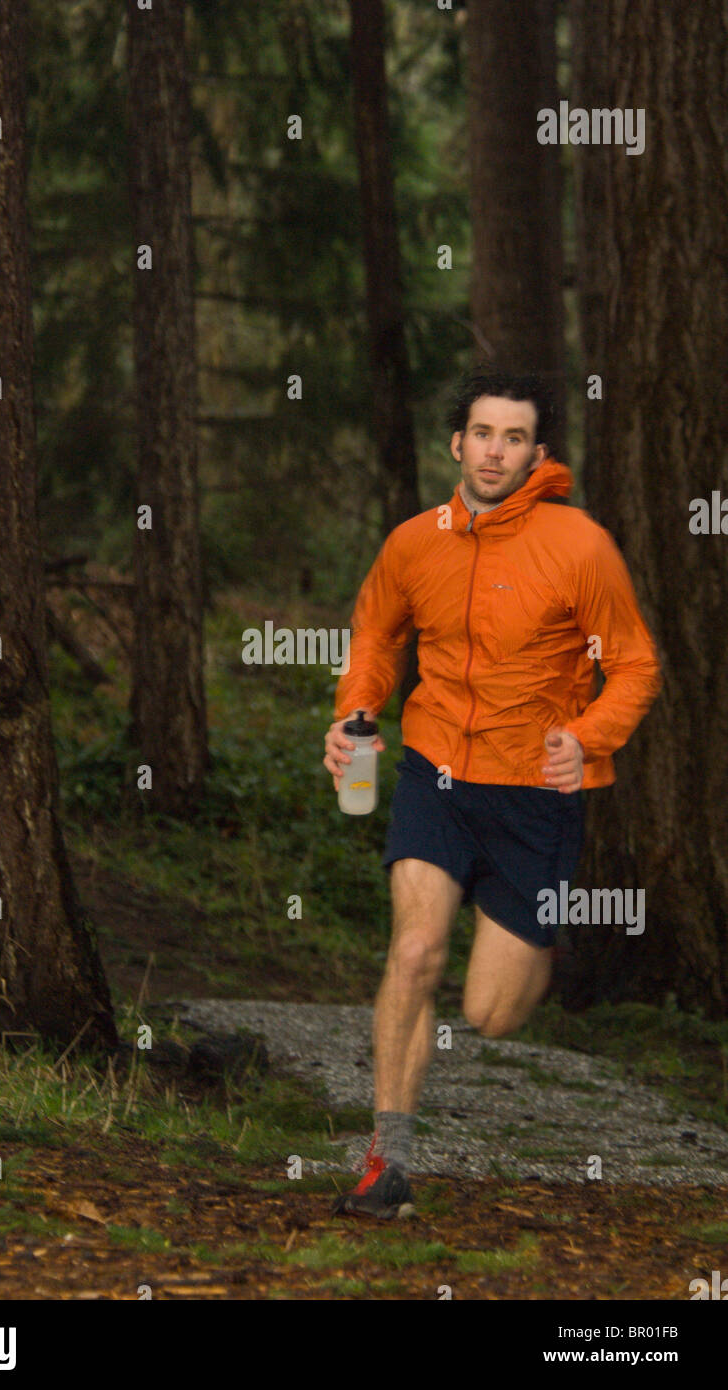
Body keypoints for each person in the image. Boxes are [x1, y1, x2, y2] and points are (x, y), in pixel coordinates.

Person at [323, 370, 661, 1219]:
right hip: (433, 773)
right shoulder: (415, 542)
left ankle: (536, 939)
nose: (494, 451)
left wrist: (584, 738)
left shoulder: (579, 546)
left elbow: (633, 666)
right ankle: (385, 1163)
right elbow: (376, 634)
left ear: (535, 455)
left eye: (513, 438)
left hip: (533, 792)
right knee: (413, 952)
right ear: (456, 442)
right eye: (481, 433)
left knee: (492, 1012)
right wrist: (356, 711)